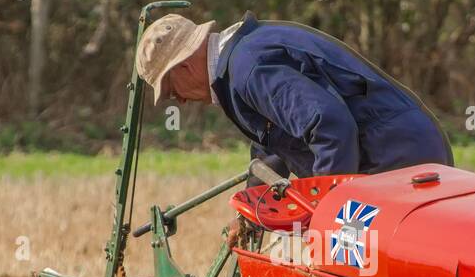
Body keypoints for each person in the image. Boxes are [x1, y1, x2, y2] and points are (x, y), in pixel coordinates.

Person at [135, 12, 453, 177]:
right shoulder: (240, 65)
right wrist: (252, 217)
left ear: (186, 67)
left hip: (398, 159)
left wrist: (330, 209)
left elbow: (330, 125)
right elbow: (272, 144)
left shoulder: (249, 68)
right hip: (402, 149)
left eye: (172, 89)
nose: (180, 101)